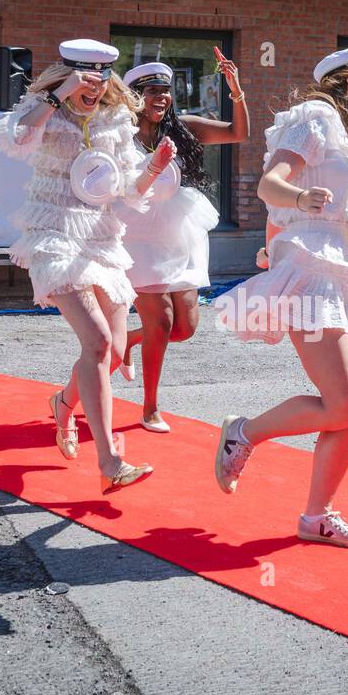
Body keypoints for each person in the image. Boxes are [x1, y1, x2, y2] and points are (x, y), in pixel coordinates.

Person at [212, 46, 348, 549]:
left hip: (345, 277)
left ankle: (317, 518)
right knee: (343, 403)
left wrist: (270, 245)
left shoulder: (344, 136)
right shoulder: (313, 116)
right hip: (312, 275)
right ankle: (242, 433)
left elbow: (303, 211)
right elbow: (271, 186)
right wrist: (297, 202)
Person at [0, 39, 175, 494]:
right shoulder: (43, 106)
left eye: (102, 81)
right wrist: (58, 95)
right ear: (70, 75)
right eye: (86, 81)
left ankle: (62, 403)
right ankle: (110, 461)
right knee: (95, 343)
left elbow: (127, 187)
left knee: (112, 352)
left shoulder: (116, 119)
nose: (95, 90)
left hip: (100, 236)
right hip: (52, 232)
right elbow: (16, 140)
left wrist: (153, 167)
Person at [117, 53, 249, 432]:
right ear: (135, 95)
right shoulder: (119, 135)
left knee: (185, 327)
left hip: (179, 231)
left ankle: (129, 339)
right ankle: (150, 407)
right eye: (152, 90)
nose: (161, 97)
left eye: (166, 91)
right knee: (161, 322)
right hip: (138, 233)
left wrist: (236, 91)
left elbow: (238, 134)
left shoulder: (182, 127)